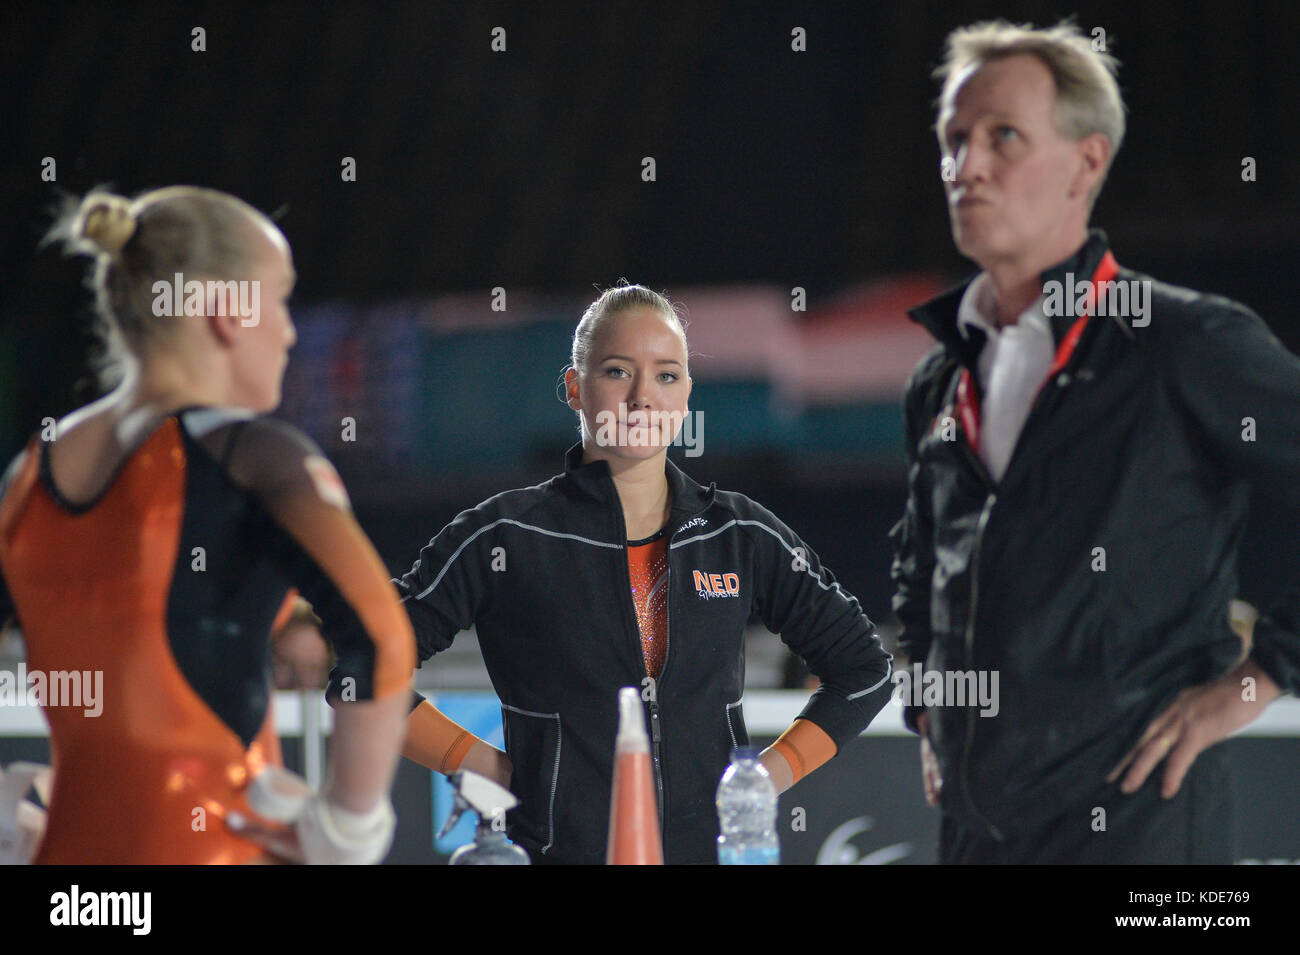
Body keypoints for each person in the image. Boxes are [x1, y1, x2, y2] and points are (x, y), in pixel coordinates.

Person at [891, 20, 1300, 863]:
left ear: (1088, 161)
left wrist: (1260, 680)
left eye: (1004, 136)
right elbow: (922, 557)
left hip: (1142, 828)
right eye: (954, 139)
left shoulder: (1182, 341)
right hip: (977, 830)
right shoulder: (940, 375)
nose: (966, 166)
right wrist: (930, 704)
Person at [331, 282, 894, 864]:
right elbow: (360, 673)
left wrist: (763, 778)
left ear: (687, 396)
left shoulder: (740, 534)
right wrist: (485, 765)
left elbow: (864, 672)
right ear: (575, 388)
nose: (643, 397)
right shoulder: (506, 535)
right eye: (619, 371)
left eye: (667, 375)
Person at [0, 187, 415, 864]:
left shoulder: (29, 471)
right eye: (280, 301)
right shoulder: (251, 455)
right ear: (228, 314)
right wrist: (347, 824)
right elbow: (380, 636)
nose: (288, 331)